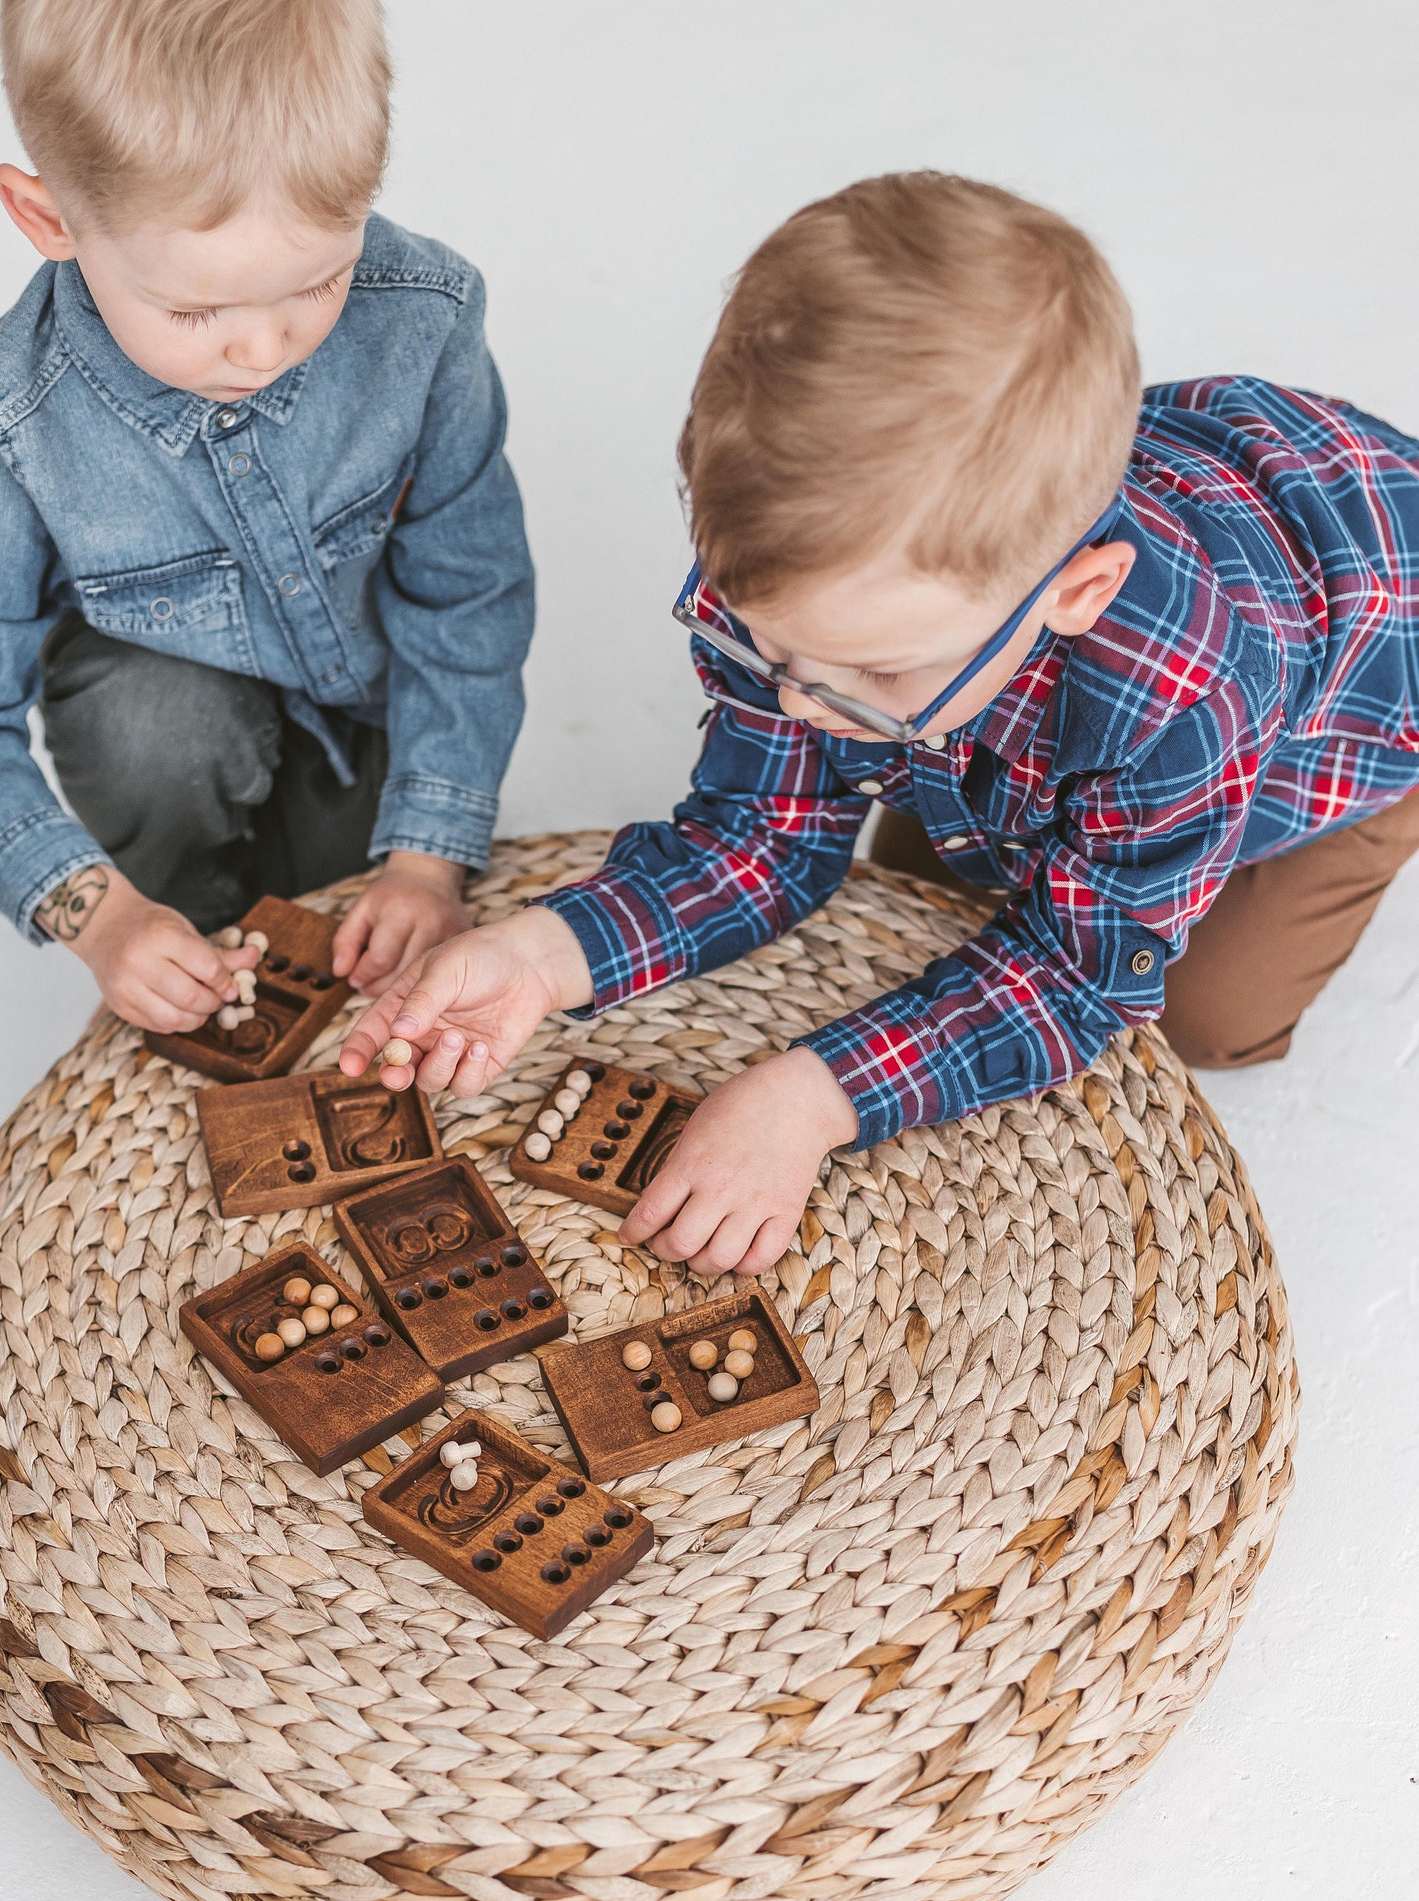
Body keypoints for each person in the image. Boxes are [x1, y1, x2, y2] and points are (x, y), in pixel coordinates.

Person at [339, 172, 1419, 1278]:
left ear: (1074, 593)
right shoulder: (800, 575)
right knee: (935, 900)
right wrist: (540, 955)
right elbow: (759, 839)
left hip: (1348, 713)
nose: (801, 700)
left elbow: (1080, 977)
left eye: (875, 671)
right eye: (775, 651)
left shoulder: (1185, 683)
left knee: (1201, 1019)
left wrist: (812, 1098)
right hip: (1066, 680)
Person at [0, 0, 533, 1033]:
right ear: (49, 218)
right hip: (167, 746)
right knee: (150, 722)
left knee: (378, 932)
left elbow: (470, 591)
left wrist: (427, 857)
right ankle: (184, 938)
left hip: (369, 719)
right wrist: (99, 918)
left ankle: (368, 854)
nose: (265, 350)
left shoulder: (427, 316)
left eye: (318, 279)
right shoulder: (4, 424)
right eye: (194, 311)